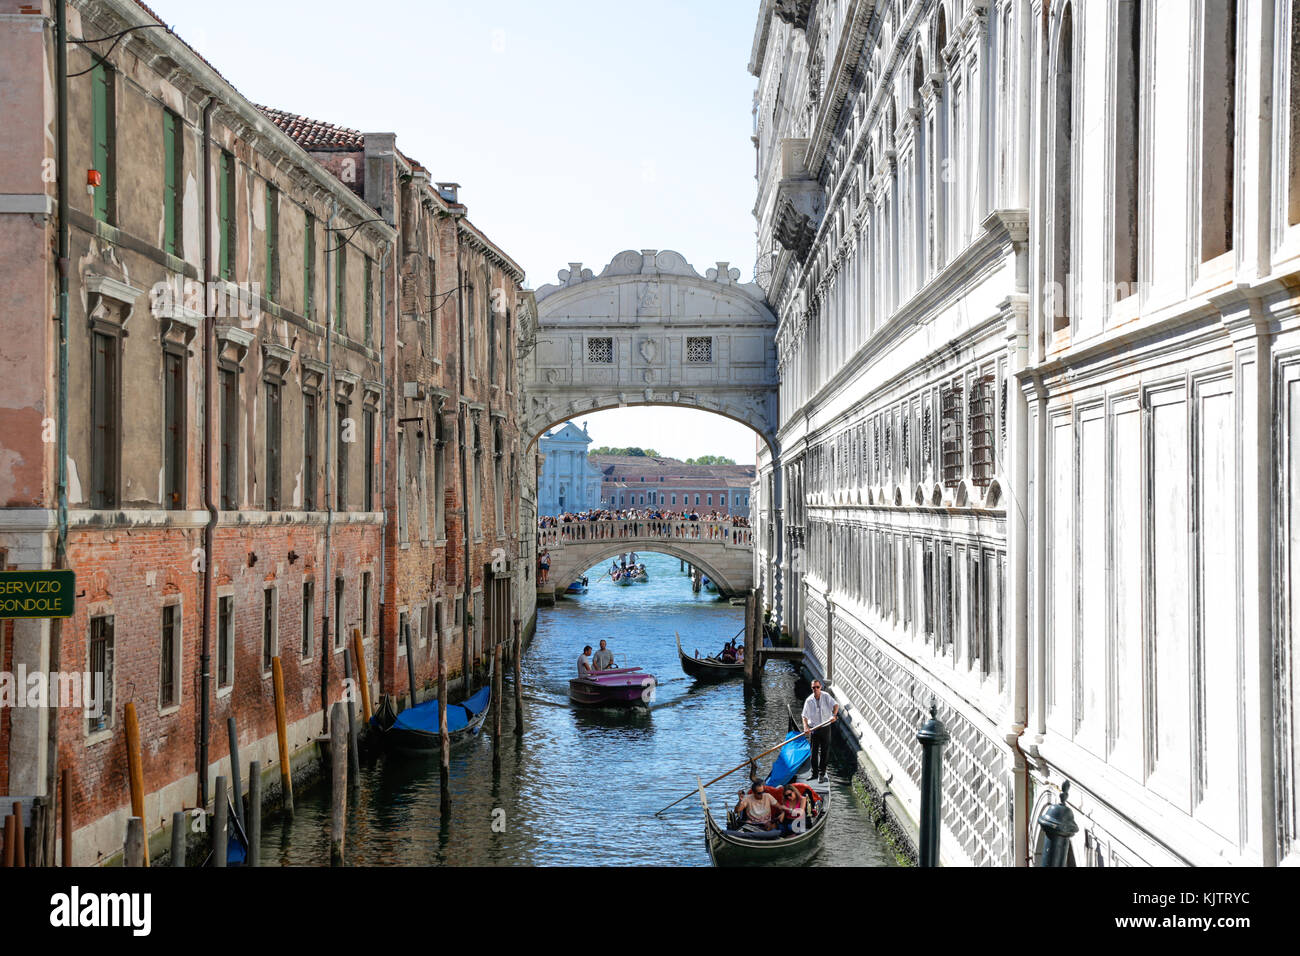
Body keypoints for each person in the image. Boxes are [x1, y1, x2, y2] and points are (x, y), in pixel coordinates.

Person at [801, 680, 839, 783]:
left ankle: (822, 774)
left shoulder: (826, 696)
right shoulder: (809, 700)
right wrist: (805, 727)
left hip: (826, 727)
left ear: (820, 687)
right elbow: (804, 715)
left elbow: (836, 706)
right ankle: (814, 774)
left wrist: (834, 715)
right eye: (814, 688)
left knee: (824, 752)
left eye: (817, 687)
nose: (816, 689)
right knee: (813, 752)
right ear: (811, 688)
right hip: (814, 728)